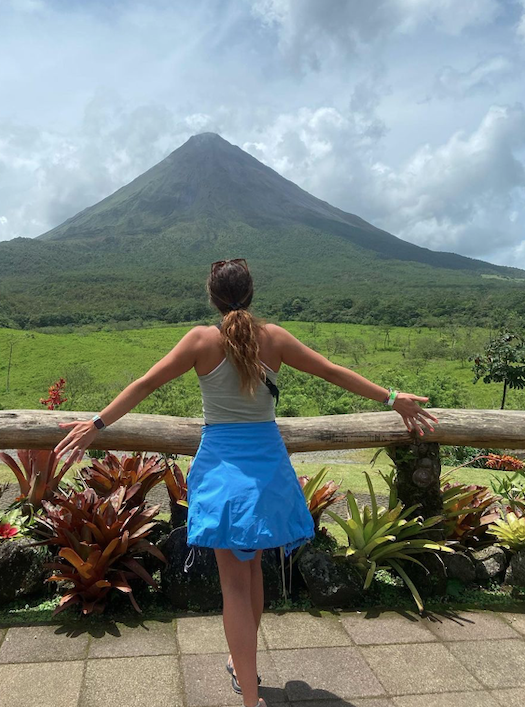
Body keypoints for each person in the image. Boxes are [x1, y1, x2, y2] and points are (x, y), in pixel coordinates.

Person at [54, 258, 438, 707]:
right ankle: (243, 667)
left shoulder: (200, 340)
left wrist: (97, 423)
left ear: (212, 296)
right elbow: (332, 371)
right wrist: (393, 398)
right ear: (251, 292)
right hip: (268, 468)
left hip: (221, 470)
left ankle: (250, 696)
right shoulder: (273, 338)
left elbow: (144, 384)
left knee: (234, 585)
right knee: (252, 570)